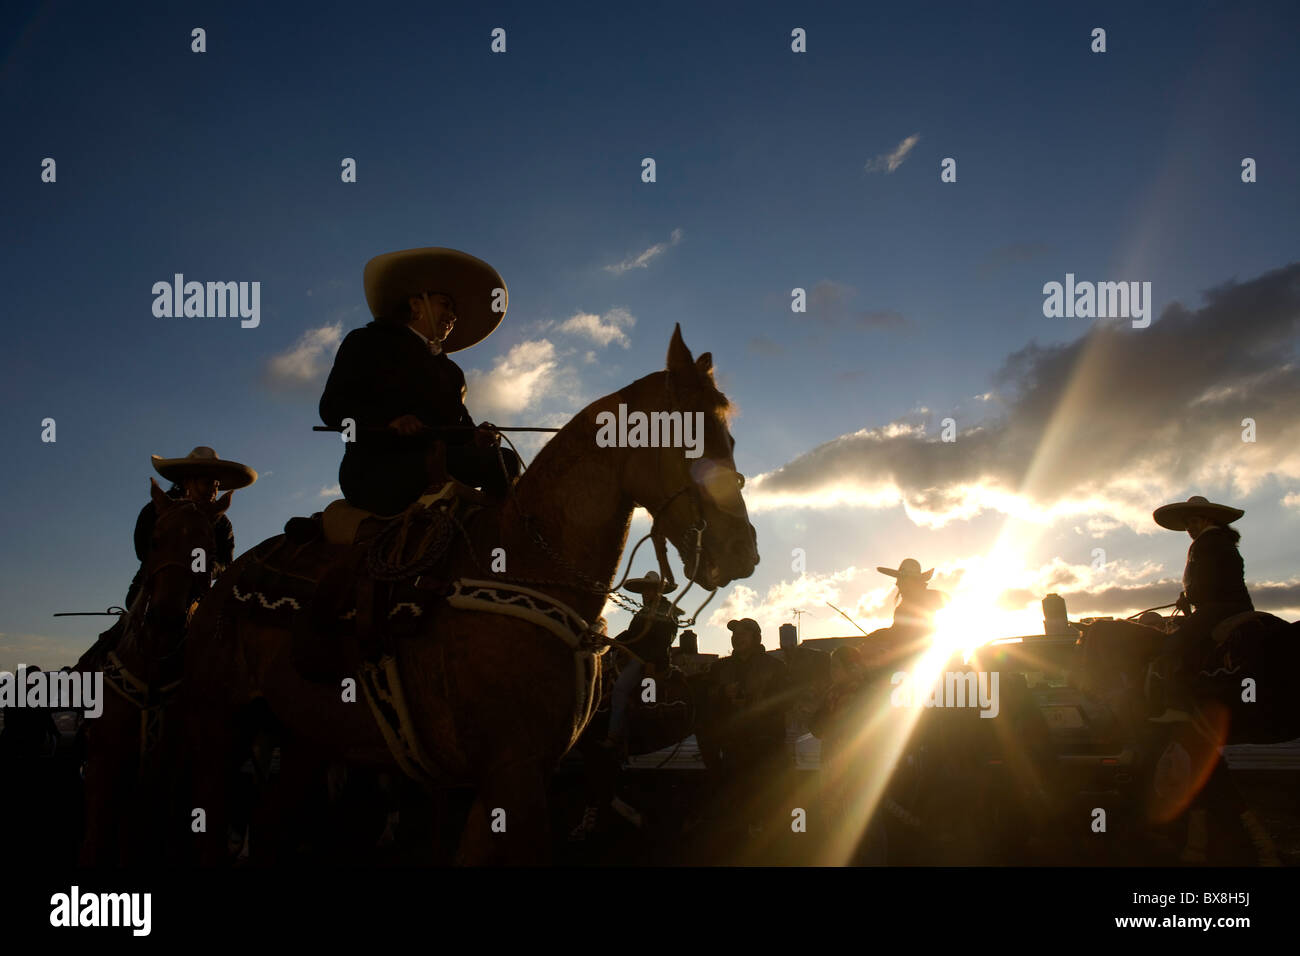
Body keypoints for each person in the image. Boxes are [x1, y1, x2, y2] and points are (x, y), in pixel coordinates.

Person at [319, 247, 521, 516]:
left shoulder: (452, 372)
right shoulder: (367, 342)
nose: (453, 316)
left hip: (440, 461)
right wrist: (388, 422)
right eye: (445, 304)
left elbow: (457, 428)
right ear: (416, 304)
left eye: (455, 311)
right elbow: (332, 408)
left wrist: (476, 437)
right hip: (379, 468)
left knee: (503, 461)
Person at [1149, 495, 1254, 721]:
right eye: (1187, 524)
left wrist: (1188, 597)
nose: (1190, 528)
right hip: (1237, 606)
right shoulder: (1222, 541)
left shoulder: (1206, 543)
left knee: (1173, 645)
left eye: (1194, 522)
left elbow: (1206, 582)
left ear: (1208, 520)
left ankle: (1178, 706)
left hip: (1220, 608)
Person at [604, 571, 680, 750]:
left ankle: (613, 737)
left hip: (648, 662)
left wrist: (650, 662)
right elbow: (631, 635)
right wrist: (610, 643)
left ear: (657, 591)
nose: (645, 594)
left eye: (649, 590)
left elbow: (664, 640)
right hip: (636, 658)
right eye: (644, 591)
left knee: (621, 690)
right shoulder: (642, 612)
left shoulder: (667, 612)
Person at [863, 559, 948, 671]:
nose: (897, 583)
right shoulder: (907, 605)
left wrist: (874, 637)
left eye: (900, 579)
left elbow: (897, 634)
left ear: (909, 581)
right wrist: (874, 636)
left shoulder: (913, 603)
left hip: (917, 665)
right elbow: (896, 632)